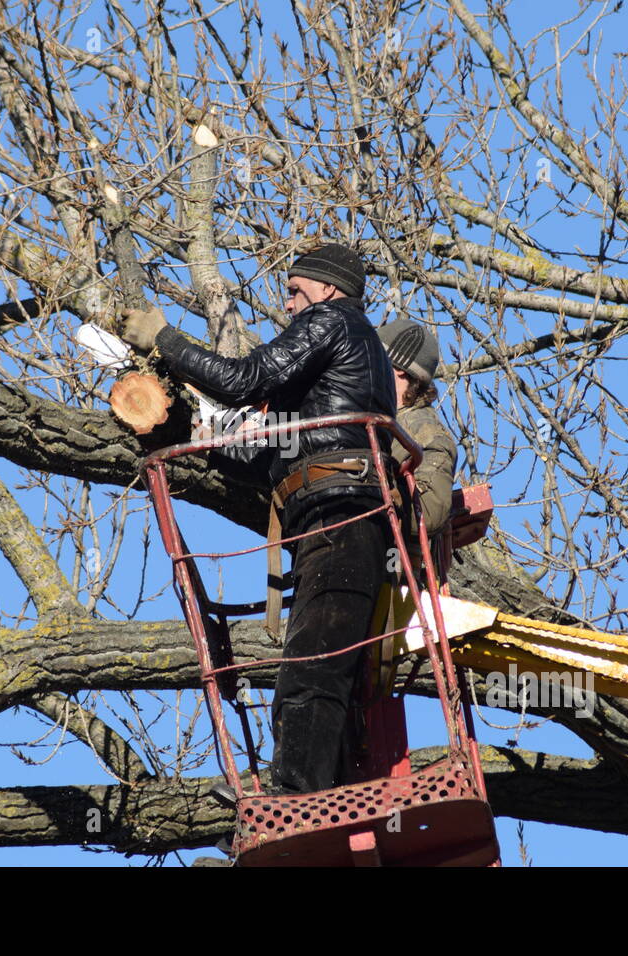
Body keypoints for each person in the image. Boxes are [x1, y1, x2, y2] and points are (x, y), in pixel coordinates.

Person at [118, 242, 396, 795]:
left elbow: (245, 378)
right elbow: (270, 455)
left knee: (313, 665)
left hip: (341, 516)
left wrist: (164, 339)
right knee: (313, 661)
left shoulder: (333, 322)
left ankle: (293, 797)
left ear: (328, 289)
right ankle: (312, 793)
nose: (289, 305)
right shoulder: (331, 386)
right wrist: (191, 433)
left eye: (295, 291)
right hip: (328, 513)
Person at [378, 318, 457, 560]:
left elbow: (431, 510)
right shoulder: (372, 417)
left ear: (400, 368)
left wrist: (369, 491)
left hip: (391, 570)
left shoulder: (425, 432)